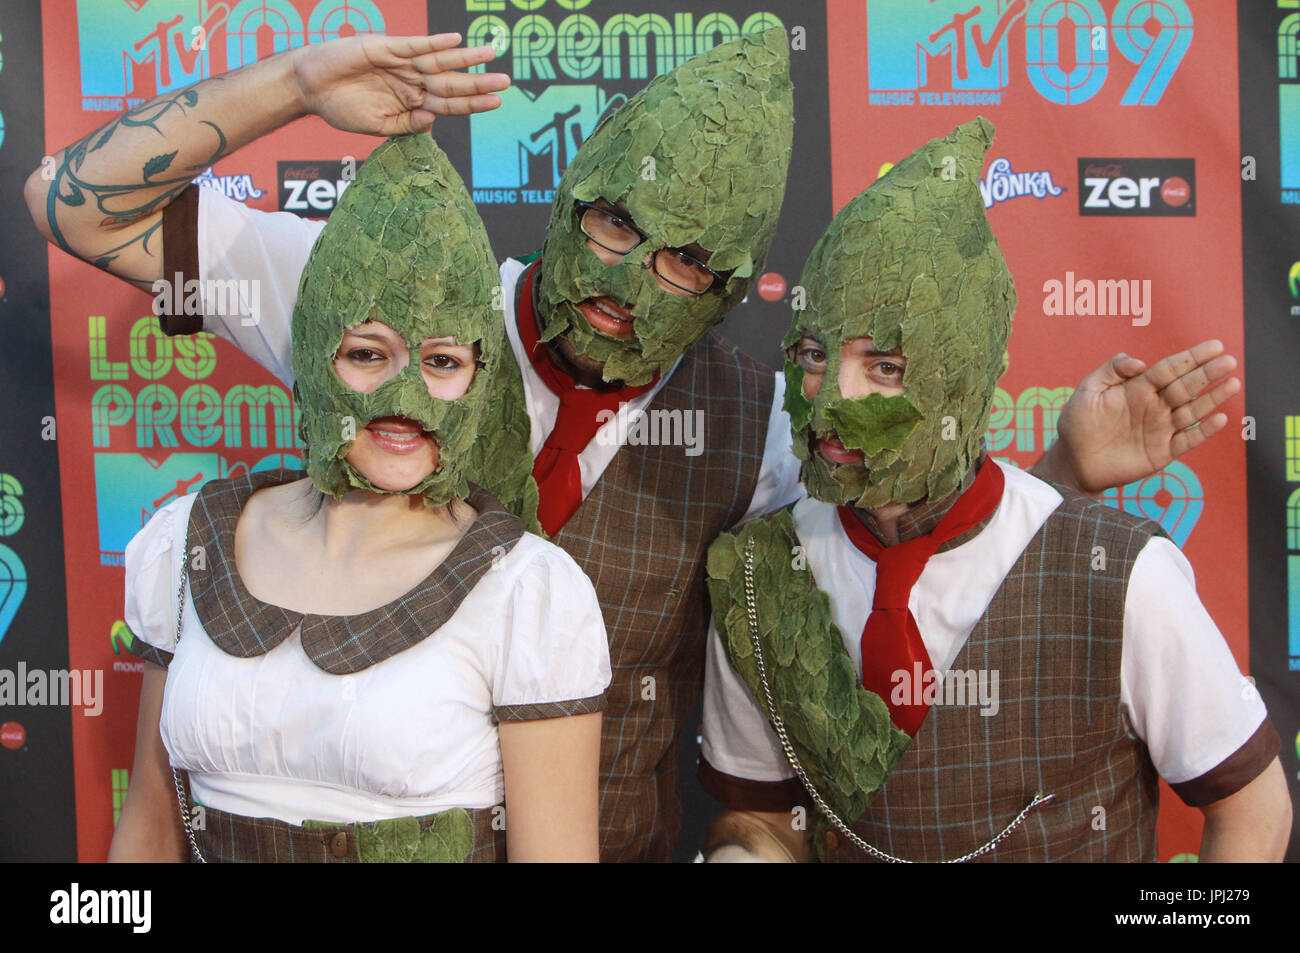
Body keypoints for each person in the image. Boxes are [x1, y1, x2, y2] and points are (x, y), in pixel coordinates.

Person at [27, 31, 1242, 862]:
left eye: (684, 263)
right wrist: (296, 82)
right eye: (614, 222)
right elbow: (71, 203)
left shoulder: (764, 416)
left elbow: (908, 560)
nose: (625, 283)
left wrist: (1066, 479)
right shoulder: (377, 303)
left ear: (730, 288)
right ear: (571, 193)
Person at [699, 119, 1291, 863]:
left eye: (884, 366)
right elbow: (760, 819)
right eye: (815, 354)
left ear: (965, 379)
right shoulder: (758, 573)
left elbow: (1254, 809)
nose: (831, 403)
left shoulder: (1121, 572)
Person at [107, 134, 609, 863]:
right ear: (315, 354)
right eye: (368, 353)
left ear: (477, 376)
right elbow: (149, 834)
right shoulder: (187, 540)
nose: (403, 400)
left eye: (441, 361)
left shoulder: (528, 593)